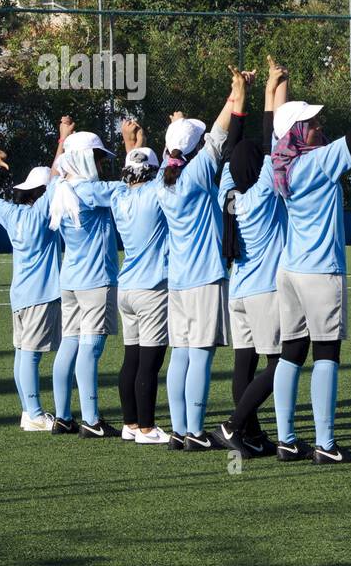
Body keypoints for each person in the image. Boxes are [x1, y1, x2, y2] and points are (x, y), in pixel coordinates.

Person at [270, 65, 351, 463]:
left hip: (290, 270)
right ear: (297, 132)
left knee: (291, 352)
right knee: (326, 352)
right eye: (310, 123)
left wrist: (278, 84)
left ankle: (286, 438)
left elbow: (277, 122)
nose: (318, 125)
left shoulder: (282, 162)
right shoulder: (314, 162)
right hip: (319, 272)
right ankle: (325, 444)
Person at [156, 70, 247, 451]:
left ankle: (179, 429)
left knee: (180, 353)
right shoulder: (195, 175)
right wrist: (236, 93)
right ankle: (194, 429)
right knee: (201, 355)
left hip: (177, 280)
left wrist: (178, 129)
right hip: (205, 277)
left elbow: (181, 147)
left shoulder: (164, 178)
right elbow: (219, 134)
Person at [212, 56, 290, 458]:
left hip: (238, 291)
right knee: (280, 364)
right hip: (263, 293)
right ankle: (234, 425)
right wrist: (269, 91)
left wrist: (243, 95)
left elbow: (233, 148)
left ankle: (252, 436)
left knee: (244, 366)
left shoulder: (229, 193)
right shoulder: (261, 193)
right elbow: (271, 140)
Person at [48, 119, 122, 438]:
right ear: (83, 159)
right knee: (90, 349)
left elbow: (54, 171)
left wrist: (62, 139)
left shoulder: (58, 187)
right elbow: (132, 187)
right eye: (97, 157)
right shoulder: (91, 190)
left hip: (71, 280)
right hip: (95, 281)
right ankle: (91, 420)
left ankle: (64, 416)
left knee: (70, 345)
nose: (101, 163)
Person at [104, 121, 171, 445]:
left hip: (126, 286)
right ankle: (146, 427)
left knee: (131, 358)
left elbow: (134, 170)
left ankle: (130, 423)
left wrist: (134, 144)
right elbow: (161, 176)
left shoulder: (119, 195)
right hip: (152, 287)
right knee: (150, 361)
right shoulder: (156, 193)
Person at [0, 152, 60, 432]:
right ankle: (35, 414)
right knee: (30, 355)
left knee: (22, 354)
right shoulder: (42, 213)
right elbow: (55, 183)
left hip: (19, 295)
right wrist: (62, 141)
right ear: (41, 194)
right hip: (39, 295)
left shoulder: (12, 213)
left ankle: (28, 410)